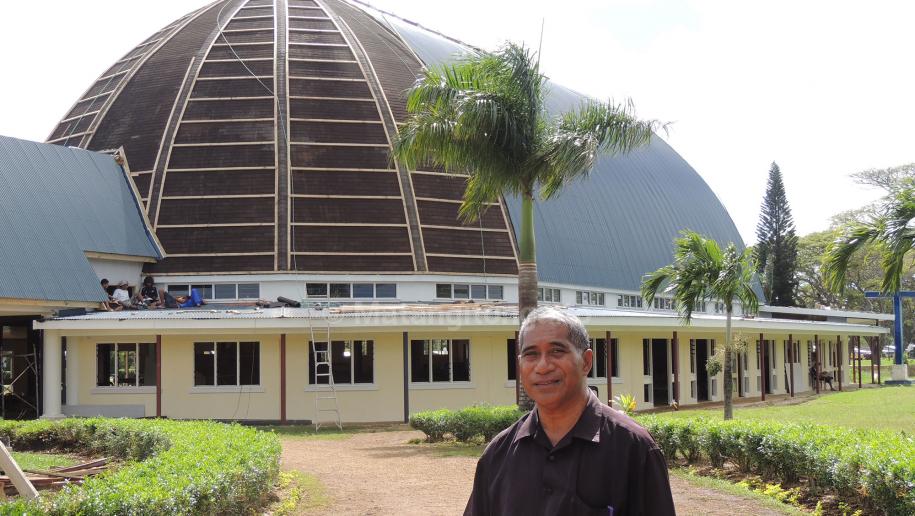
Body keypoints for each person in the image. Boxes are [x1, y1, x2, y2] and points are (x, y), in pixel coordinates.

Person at [465, 307, 676, 515]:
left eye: (557, 351)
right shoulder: (497, 456)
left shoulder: (634, 449)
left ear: (586, 362)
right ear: (520, 365)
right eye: (531, 354)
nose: (543, 366)